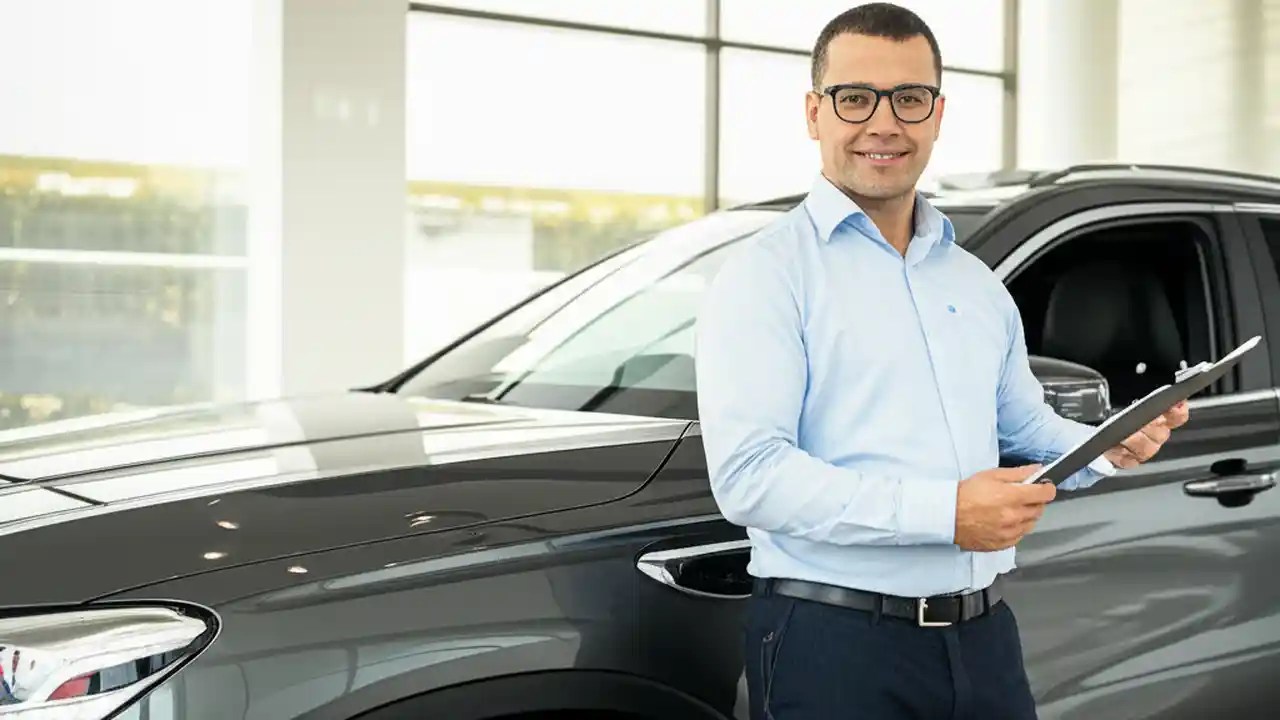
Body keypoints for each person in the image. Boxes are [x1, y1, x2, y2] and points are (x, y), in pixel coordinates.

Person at [693, 3, 1191, 719]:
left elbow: (1025, 427)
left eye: (909, 98)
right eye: (855, 97)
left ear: (936, 112)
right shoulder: (767, 275)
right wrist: (947, 513)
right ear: (814, 112)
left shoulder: (973, 283)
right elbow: (750, 477)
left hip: (983, 640)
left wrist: (1111, 445)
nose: (884, 122)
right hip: (836, 645)